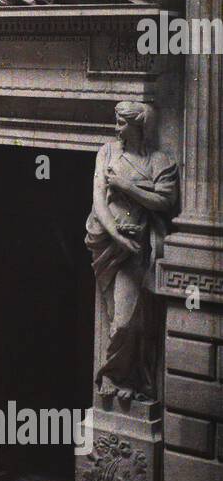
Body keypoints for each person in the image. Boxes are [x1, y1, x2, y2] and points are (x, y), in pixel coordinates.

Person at [85, 100, 179, 405]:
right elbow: (99, 200)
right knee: (117, 315)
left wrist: (127, 186)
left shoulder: (160, 161)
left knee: (130, 320)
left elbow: (166, 202)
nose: (116, 129)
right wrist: (116, 234)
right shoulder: (107, 152)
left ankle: (119, 375)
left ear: (139, 125)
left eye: (122, 123)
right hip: (109, 242)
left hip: (141, 248)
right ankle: (116, 375)